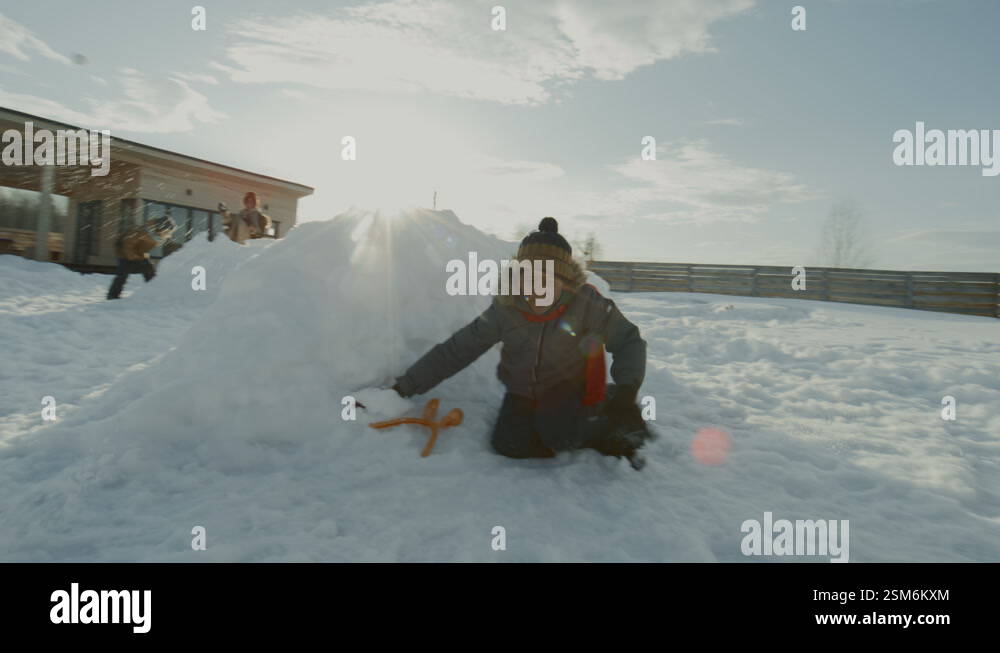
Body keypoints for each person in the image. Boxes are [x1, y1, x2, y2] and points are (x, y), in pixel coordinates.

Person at [391, 217, 652, 467]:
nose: (537, 288)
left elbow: (629, 340)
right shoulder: (506, 309)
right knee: (509, 444)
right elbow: (459, 349)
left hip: (569, 389)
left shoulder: (586, 305)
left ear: (565, 280)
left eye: (548, 279)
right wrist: (403, 388)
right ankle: (571, 425)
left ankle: (611, 415)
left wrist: (628, 390)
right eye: (529, 277)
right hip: (523, 393)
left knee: (560, 435)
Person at [107, 216, 176, 300]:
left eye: (169, 232)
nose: (167, 234)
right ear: (160, 227)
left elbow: (143, 247)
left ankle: (155, 293)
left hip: (139, 253)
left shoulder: (157, 236)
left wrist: (140, 257)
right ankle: (112, 295)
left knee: (150, 272)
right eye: (166, 232)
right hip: (123, 252)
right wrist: (132, 258)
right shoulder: (141, 231)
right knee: (123, 274)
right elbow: (127, 243)